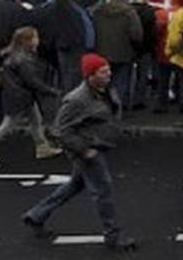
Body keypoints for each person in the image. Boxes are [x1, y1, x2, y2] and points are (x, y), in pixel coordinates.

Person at [22, 53, 137, 251]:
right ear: (90, 76)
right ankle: (113, 236)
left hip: (96, 145)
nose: (109, 74)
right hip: (88, 151)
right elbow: (60, 130)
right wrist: (84, 149)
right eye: (103, 72)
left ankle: (36, 215)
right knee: (103, 191)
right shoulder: (76, 100)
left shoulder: (105, 90)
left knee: (75, 185)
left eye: (108, 70)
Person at [0, 27, 61, 169]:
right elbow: (32, 81)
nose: (38, 40)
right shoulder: (23, 60)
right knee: (6, 126)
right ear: (27, 41)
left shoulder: (13, 55)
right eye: (35, 37)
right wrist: (51, 91)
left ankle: (42, 146)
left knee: (36, 120)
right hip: (20, 98)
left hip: (18, 95)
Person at [91, 0, 143, 113]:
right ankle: (117, 110)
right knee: (121, 83)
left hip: (102, 51)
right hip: (124, 52)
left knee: (104, 82)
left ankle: (103, 108)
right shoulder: (129, 12)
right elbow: (136, 34)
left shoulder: (98, 11)